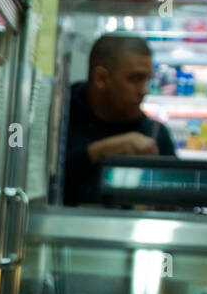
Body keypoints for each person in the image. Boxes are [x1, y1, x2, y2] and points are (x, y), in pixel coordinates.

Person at [60, 33, 176, 207]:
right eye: (135, 79)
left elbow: (177, 201)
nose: (144, 90)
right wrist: (97, 152)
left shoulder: (155, 135)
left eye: (147, 80)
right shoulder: (59, 117)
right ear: (101, 78)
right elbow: (39, 183)